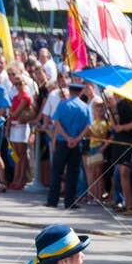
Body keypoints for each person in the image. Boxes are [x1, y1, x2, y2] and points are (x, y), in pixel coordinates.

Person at [49, 80, 92, 208]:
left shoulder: (62, 105)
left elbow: (57, 123)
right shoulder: (85, 107)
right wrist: (77, 138)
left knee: (57, 171)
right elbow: (88, 126)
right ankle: (70, 201)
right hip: (77, 143)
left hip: (63, 142)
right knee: (73, 172)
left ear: (70, 91)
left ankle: (53, 200)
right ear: (80, 92)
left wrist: (67, 137)